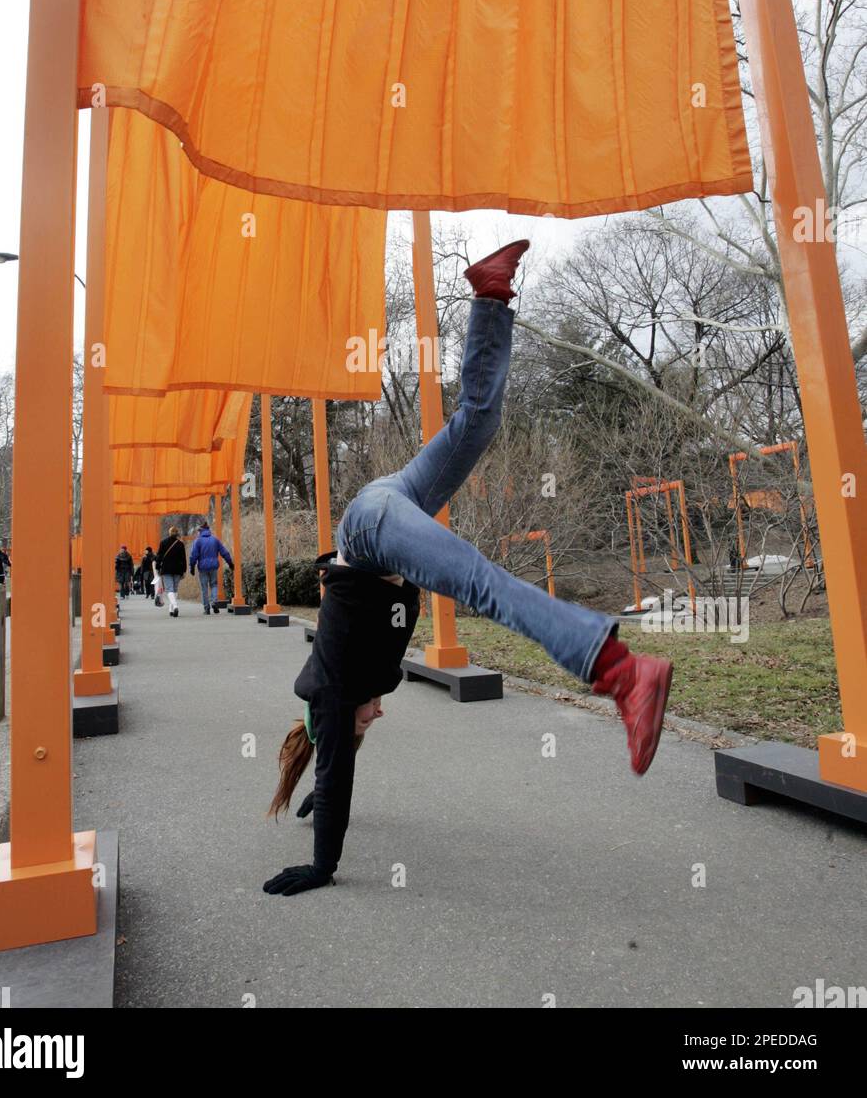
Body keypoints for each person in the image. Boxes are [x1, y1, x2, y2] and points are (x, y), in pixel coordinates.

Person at [264, 241, 674, 897]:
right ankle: (490, 294)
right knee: (478, 423)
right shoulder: (355, 688)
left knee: (483, 584)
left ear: (329, 715)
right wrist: (315, 788)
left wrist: (323, 864)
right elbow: (332, 764)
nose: (375, 717)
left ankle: (622, 674)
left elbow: (335, 762)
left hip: (370, 529)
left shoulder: (334, 687)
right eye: (366, 722)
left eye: (361, 721)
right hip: (387, 501)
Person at [188, 523, 233, 615]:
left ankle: (206, 608)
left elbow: (193, 555)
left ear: (200, 531)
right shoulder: (215, 540)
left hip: (203, 567)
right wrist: (230, 562)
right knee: (214, 585)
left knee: (204, 587)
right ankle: (214, 602)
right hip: (213, 566)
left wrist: (192, 566)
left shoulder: (198, 541)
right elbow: (224, 552)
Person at [155, 527, 188, 617]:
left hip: (166, 569)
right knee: (175, 589)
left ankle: (175, 606)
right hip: (178, 569)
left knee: (169, 589)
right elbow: (183, 559)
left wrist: (157, 568)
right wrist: (184, 570)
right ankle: (171, 609)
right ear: (177, 533)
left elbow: (159, 557)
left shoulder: (163, 543)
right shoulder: (180, 544)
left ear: (169, 533)